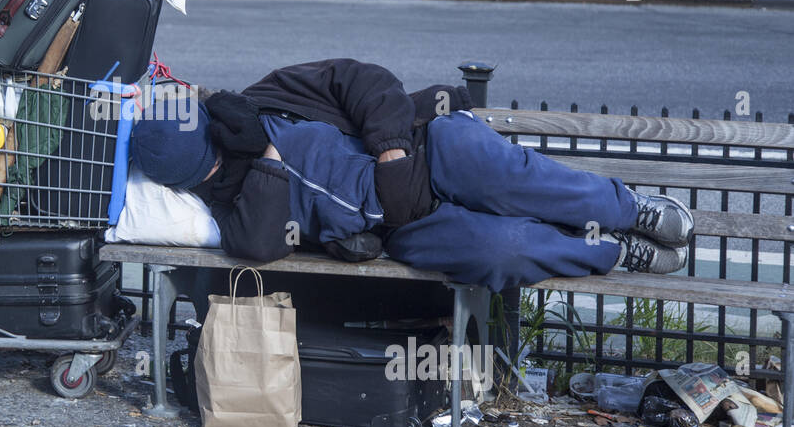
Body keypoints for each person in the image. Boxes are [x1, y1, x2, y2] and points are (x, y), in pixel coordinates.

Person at [129, 60, 694, 293]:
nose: (215, 170)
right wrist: (268, 164)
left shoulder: (265, 98)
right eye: (203, 174)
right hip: (408, 226)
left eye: (213, 155)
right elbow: (256, 244)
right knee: (503, 251)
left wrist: (391, 153)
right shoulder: (227, 200)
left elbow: (363, 80)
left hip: (427, 148)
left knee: (509, 178)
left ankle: (627, 210)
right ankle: (611, 252)